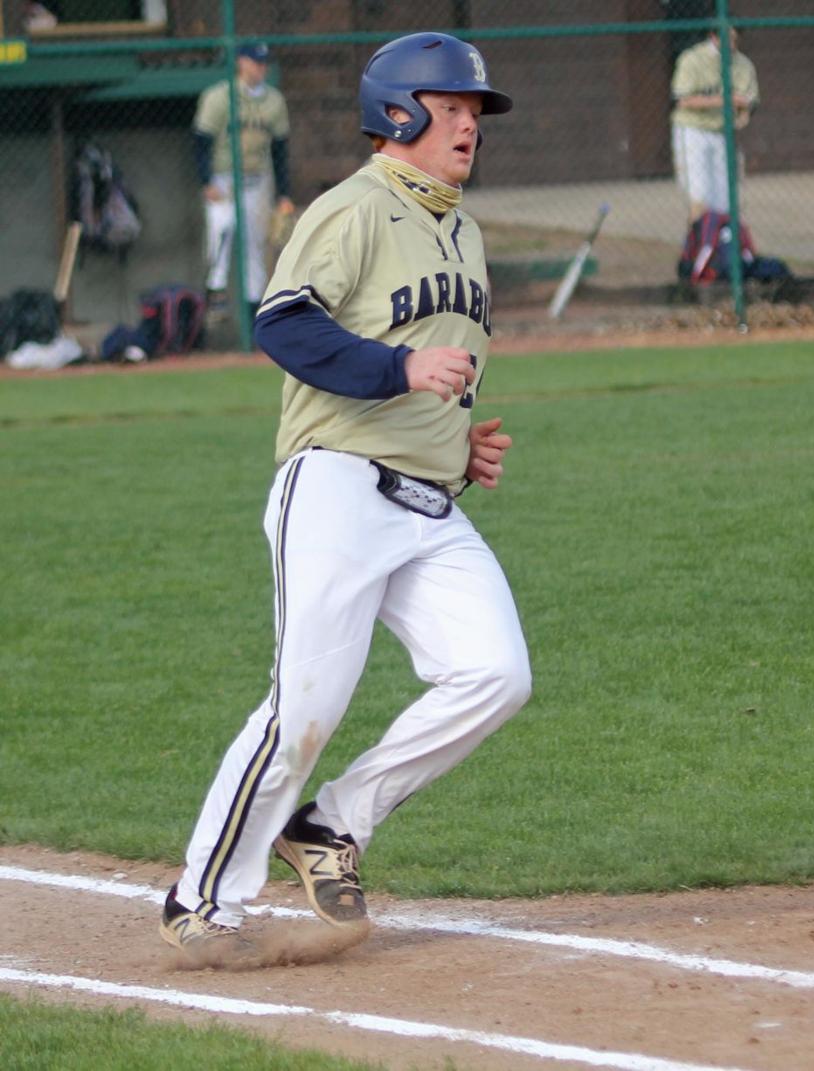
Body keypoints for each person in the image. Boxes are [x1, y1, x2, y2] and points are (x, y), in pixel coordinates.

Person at [160, 31, 529, 955]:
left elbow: (443, 370)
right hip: (336, 485)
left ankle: (329, 825)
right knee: (303, 707)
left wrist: (459, 444)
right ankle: (200, 900)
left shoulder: (464, 227)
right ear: (397, 113)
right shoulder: (354, 207)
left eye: (474, 114)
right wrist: (404, 368)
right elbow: (284, 326)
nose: (467, 128)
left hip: (428, 503)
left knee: (495, 673)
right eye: (449, 109)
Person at [193, 41, 293, 314]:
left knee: (255, 244)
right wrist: (206, 181)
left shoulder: (274, 101)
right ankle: (216, 291)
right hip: (223, 177)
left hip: (257, 178)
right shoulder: (219, 97)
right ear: (241, 62)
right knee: (221, 228)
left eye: (264, 62)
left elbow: (280, 149)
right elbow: (201, 141)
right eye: (255, 61)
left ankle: (254, 309)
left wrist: (284, 193)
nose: (261, 67)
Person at [670, 28, 759, 223]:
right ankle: (700, 247)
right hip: (692, 130)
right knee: (699, 196)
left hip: (722, 132)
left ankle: (724, 248)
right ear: (713, 37)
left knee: (727, 198)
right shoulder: (693, 59)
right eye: (728, 40)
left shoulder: (743, 64)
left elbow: (750, 103)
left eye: (736, 40)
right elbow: (682, 101)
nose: (732, 45)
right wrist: (726, 100)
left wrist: (743, 114)